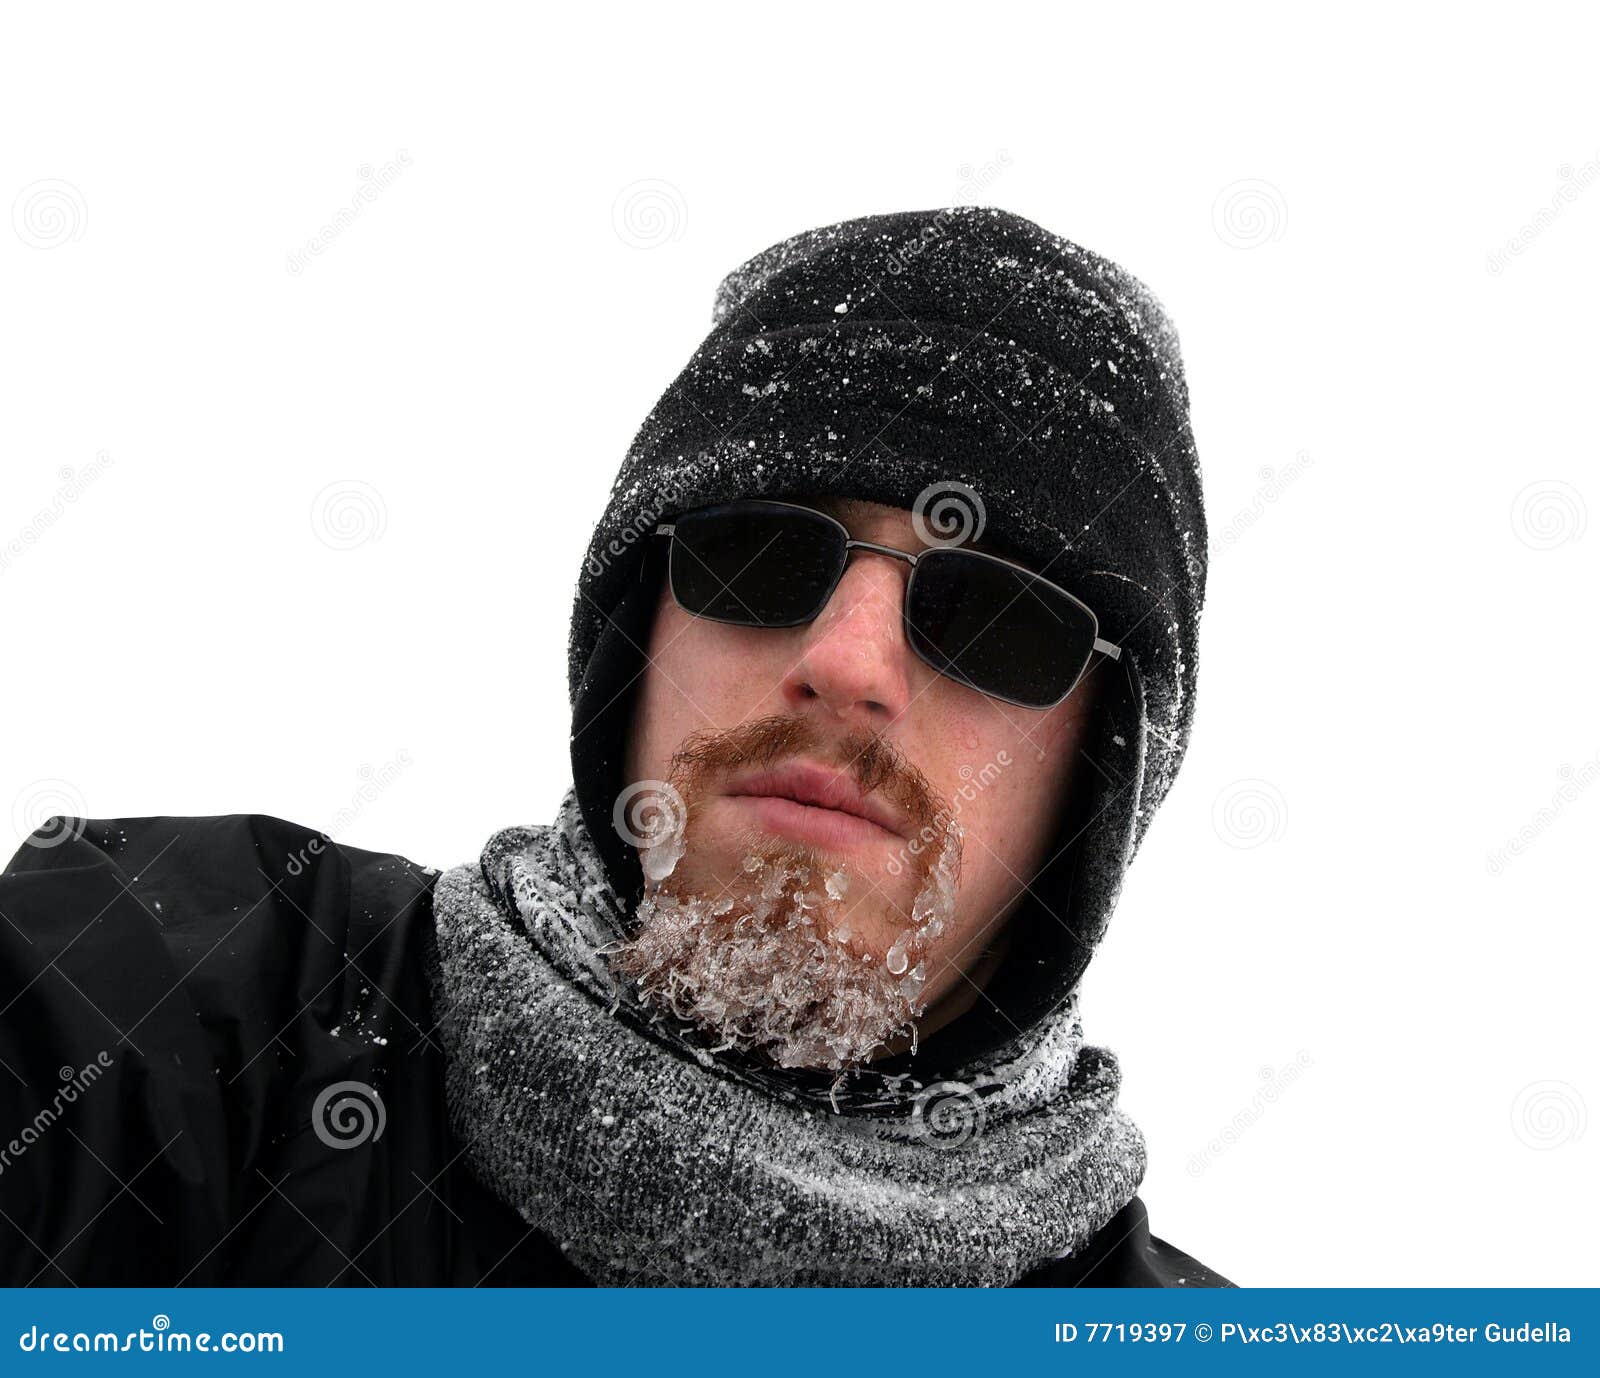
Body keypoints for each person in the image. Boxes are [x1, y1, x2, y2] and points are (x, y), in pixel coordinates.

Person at [0, 208, 1231, 1287]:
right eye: (763, 552)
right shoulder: (186, 1006)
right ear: (631, 640)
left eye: (996, 620)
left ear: (1102, 773)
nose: (848, 661)